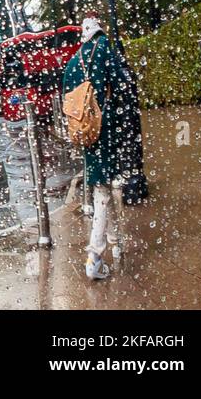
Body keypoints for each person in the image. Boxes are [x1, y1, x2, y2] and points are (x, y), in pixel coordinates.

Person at [61, 14, 131, 280]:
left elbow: (68, 97)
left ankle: (116, 241)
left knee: (101, 182)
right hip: (105, 127)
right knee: (103, 190)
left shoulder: (72, 62)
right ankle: (95, 256)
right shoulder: (103, 49)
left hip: (85, 130)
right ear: (99, 31)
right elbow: (122, 84)